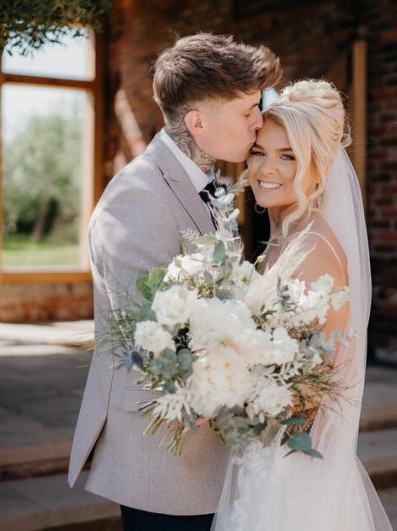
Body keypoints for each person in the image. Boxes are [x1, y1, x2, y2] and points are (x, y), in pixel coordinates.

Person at [68, 33, 283, 531]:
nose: (259, 120)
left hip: (212, 447)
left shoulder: (207, 185)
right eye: (249, 108)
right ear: (197, 122)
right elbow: (156, 345)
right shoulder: (138, 198)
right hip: (167, 453)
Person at [212, 79, 393, 531]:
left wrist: (219, 378)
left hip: (290, 473)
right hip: (269, 456)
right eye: (259, 152)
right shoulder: (290, 235)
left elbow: (312, 387)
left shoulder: (312, 251)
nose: (265, 168)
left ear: (321, 165)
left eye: (287, 155)